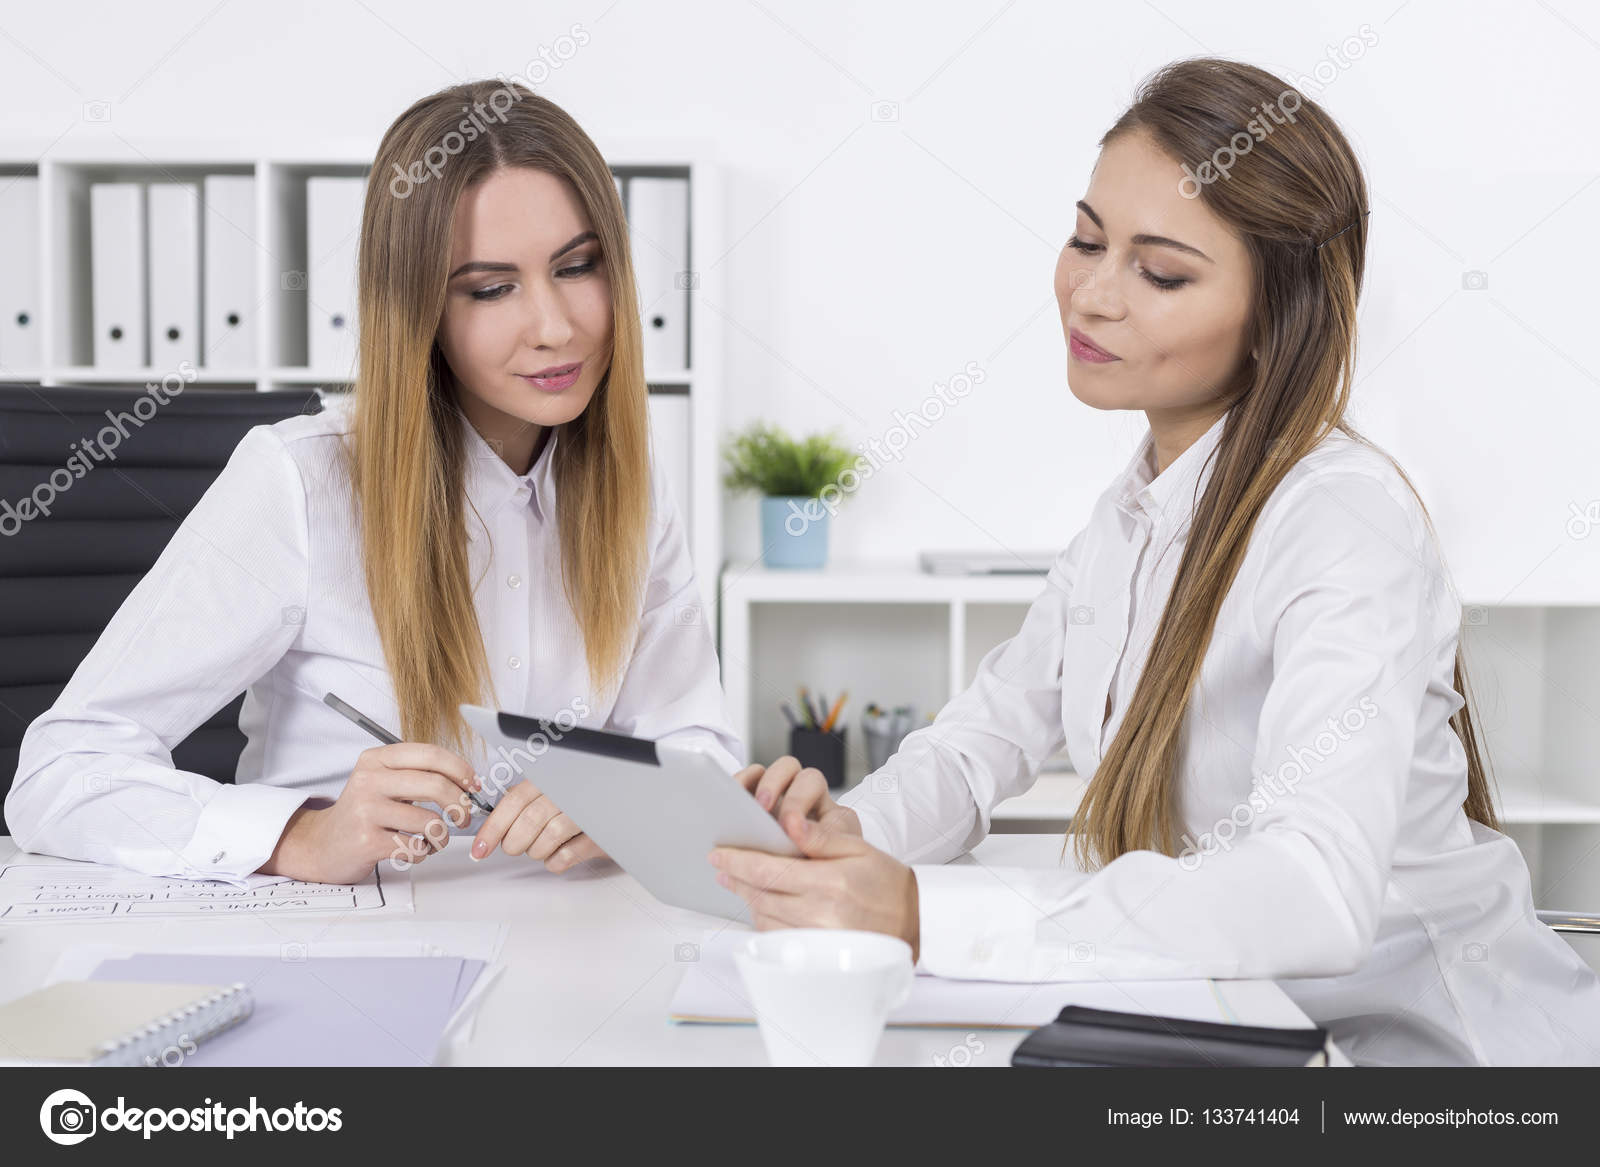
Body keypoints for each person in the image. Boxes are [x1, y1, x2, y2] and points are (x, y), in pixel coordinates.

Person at [709, 57, 1600, 1067]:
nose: (1090, 294)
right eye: (1086, 239)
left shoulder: (1342, 523)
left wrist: (922, 913)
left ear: (1279, 310)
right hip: (1234, 1032)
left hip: (1431, 1062)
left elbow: (1313, 889)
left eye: (1160, 271)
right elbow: (975, 745)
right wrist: (840, 840)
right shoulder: (1126, 521)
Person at [8, 80, 739, 886]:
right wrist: (300, 837)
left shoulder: (634, 487)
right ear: (416, 307)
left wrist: (624, 802)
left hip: (563, 945)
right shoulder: (301, 482)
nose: (556, 325)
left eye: (578, 266)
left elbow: (697, 748)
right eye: (492, 288)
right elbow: (60, 772)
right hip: (337, 945)